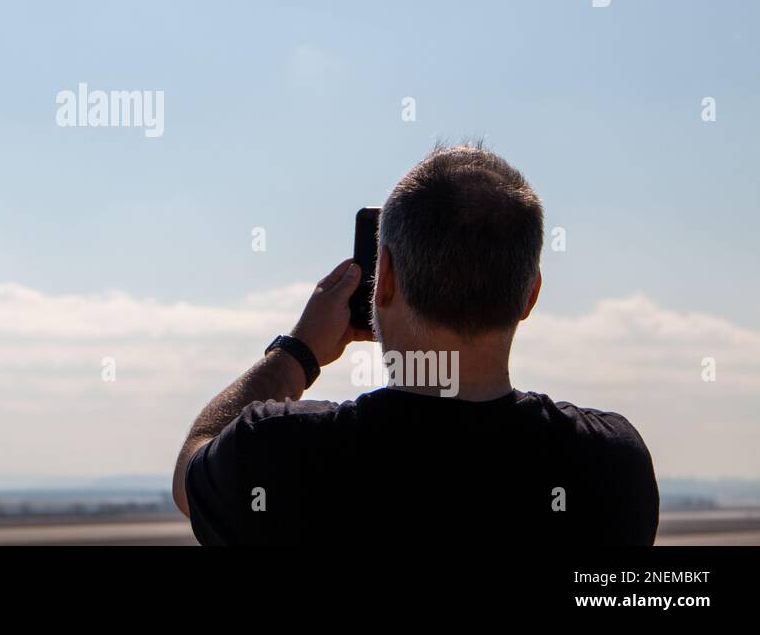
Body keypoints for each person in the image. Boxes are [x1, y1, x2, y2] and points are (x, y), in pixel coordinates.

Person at [172, 144, 659, 545]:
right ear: (530, 294)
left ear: (382, 279)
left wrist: (298, 350)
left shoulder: (279, 451)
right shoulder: (611, 463)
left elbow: (191, 470)